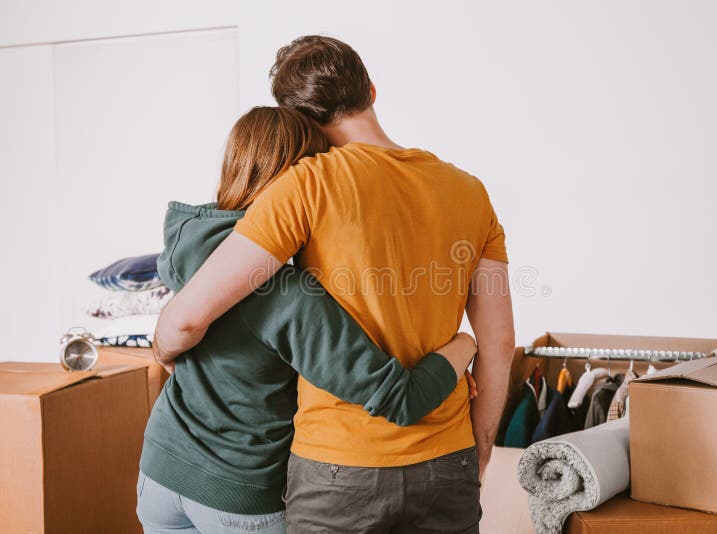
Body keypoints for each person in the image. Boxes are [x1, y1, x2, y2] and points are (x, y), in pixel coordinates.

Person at [153, 36, 515, 533]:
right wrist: (479, 453)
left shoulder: (305, 184)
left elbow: (191, 312)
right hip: (446, 458)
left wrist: (164, 348)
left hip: (336, 467)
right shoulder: (471, 192)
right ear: (370, 88)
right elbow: (499, 344)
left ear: (297, 116)